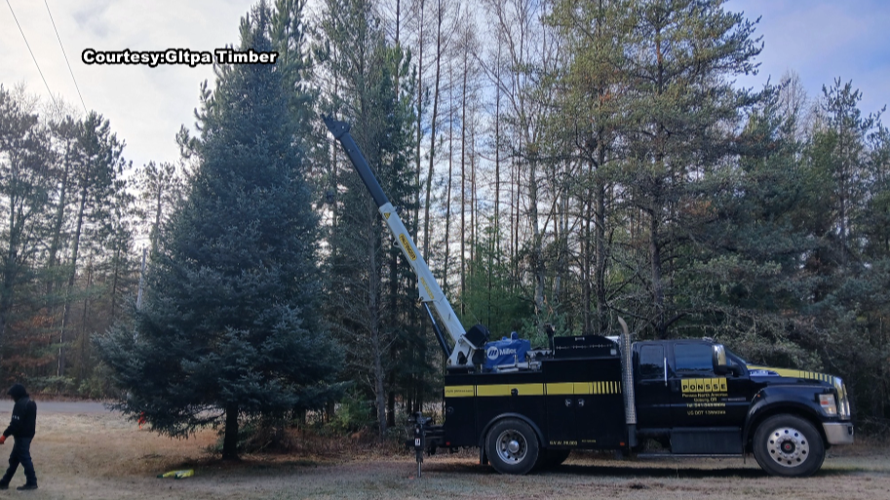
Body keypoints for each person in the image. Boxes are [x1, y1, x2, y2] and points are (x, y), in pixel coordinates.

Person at [0, 384, 37, 491]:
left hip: (21, 436)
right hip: (28, 434)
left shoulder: (20, 404)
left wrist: (4, 435)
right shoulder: (30, 402)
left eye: (12, 395)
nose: (12, 398)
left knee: (25, 459)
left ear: (17, 394)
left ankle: (32, 482)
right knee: (14, 459)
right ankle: (4, 482)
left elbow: (15, 424)